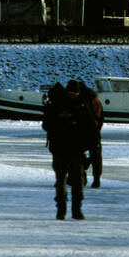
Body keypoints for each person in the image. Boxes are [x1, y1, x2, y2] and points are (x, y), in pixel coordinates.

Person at [43, 83, 91, 220]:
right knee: (74, 181)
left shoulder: (57, 106)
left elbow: (46, 125)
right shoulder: (81, 107)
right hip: (71, 149)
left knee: (63, 180)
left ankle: (65, 209)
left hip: (65, 149)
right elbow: (91, 130)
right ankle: (73, 209)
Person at [78, 79, 104, 188]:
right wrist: (97, 127)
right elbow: (101, 117)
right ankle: (96, 179)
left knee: (77, 153)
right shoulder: (96, 101)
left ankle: (81, 172)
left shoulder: (80, 101)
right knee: (96, 156)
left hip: (81, 132)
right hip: (94, 132)